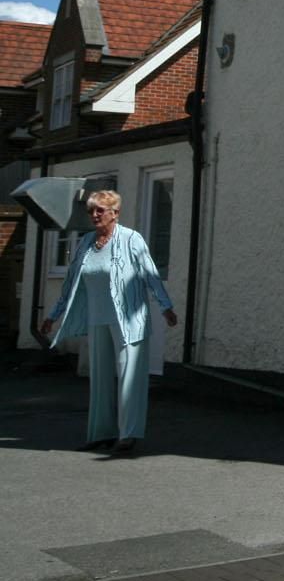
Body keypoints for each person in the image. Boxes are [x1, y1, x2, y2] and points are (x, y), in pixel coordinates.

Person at [39, 190, 178, 453]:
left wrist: (166, 306)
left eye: (100, 210)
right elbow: (71, 284)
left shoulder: (130, 239)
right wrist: (53, 315)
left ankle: (128, 434)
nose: (94, 215)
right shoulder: (86, 243)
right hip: (97, 317)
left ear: (115, 213)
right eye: (92, 210)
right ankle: (100, 432)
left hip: (129, 319)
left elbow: (150, 273)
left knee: (130, 378)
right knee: (100, 378)